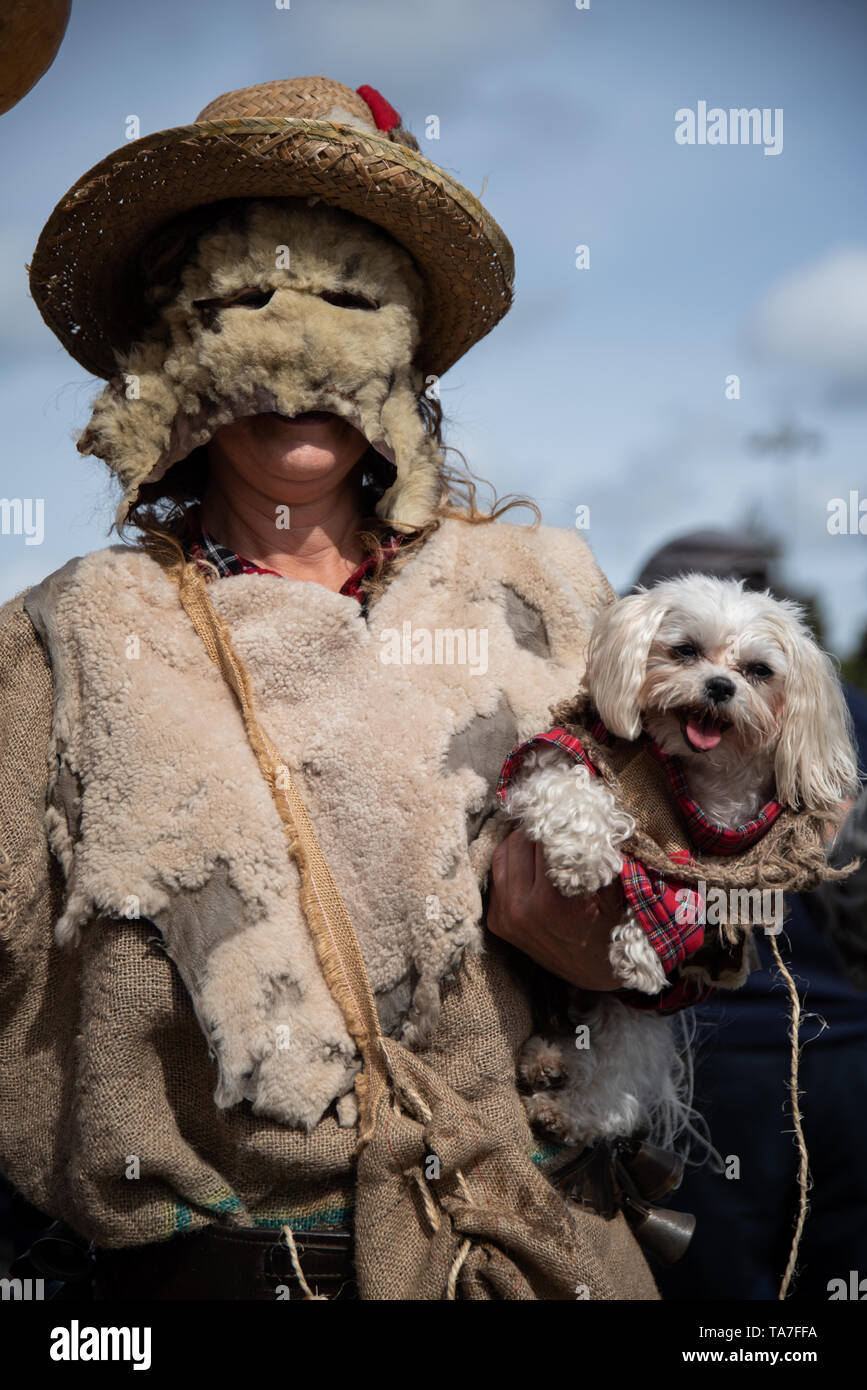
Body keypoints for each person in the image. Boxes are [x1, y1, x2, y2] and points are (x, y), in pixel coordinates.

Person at [0, 75, 685, 1301]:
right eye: (245, 303)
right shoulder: (69, 638)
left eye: (347, 302)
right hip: (215, 1277)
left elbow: (715, 874)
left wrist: (629, 933)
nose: (300, 353)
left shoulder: (535, 596)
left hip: (545, 1249)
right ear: (170, 363)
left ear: (404, 353)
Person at [634, 530, 867, 1301]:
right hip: (845, 1055)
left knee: (715, 1297)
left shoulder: (638, 739)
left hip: (702, 1063)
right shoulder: (846, 712)